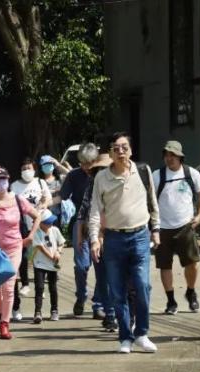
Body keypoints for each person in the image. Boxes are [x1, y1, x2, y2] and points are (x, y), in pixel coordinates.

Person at [89, 132, 160, 354]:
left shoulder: (142, 170)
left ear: (130, 149)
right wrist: (94, 239)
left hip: (139, 235)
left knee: (142, 286)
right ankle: (125, 337)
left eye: (124, 147)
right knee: (117, 292)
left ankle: (142, 333)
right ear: (109, 153)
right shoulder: (101, 178)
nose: (120, 151)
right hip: (114, 238)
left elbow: (152, 201)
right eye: (115, 148)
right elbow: (95, 210)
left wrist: (155, 229)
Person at [153, 140, 200, 314]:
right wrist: (152, 226)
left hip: (186, 226)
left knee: (192, 263)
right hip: (163, 228)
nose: (169, 158)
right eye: (166, 155)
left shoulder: (191, 173)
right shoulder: (157, 175)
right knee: (165, 265)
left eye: (173, 155)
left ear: (180, 156)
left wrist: (199, 215)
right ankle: (171, 301)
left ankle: (191, 293)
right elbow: (149, 201)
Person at [0, 166, 41, 340]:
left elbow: (37, 216)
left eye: (3, 179)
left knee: (9, 285)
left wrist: (31, 236)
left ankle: (4, 324)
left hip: (14, 248)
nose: (0, 183)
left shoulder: (18, 200)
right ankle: (4, 313)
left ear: (8, 180)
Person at [76, 151, 118, 331]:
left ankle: (117, 313)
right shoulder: (92, 186)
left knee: (117, 277)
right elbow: (83, 212)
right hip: (98, 236)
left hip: (118, 234)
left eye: (105, 168)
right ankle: (109, 314)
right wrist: (80, 237)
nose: (102, 172)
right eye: (99, 169)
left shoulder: (120, 182)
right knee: (103, 278)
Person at [61, 143, 100, 317]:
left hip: (101, 224)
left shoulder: (103, 174)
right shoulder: (73, 175)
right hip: (80, 223)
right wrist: (45, 203)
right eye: (83, 163)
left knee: (101, 266)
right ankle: (81, 296)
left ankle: (99, 304)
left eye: (89, 163)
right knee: (82, 266)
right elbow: (61, 196)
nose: (86, 167)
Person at [10, 158, 51, 317]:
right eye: (24, 168)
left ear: (34, 169)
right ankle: (25, 283)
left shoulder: (40, 182)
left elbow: (47, 198)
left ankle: (40, 286)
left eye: (29, 167)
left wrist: (42, 206)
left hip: (41, 224)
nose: (27, 170)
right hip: (22, 225)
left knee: (40, 255)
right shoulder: (14, 186)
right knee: (25, 255)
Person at [31, 210, 64, 323]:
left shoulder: (55, 230)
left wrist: (58, 252)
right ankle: (37, 312)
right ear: (40, 223)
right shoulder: (36, 232)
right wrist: (51, 256)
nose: (50, 224)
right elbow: (40, 247)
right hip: (39, 263)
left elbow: (61, 242)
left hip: (52, 265)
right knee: (39, 288)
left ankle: (54, 310)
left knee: (53, 288)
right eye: (47, 223)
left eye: (51, 222)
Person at [39, 155, 67, 226]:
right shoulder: (39, 182)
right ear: (41, 167)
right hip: (45, 214)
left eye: (50, 164)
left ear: (53, 166)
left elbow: (70, 174)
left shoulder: (60, 178)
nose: (47, 166)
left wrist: (58, 164)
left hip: (59, 214)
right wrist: (54, 191)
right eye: (45, 164)